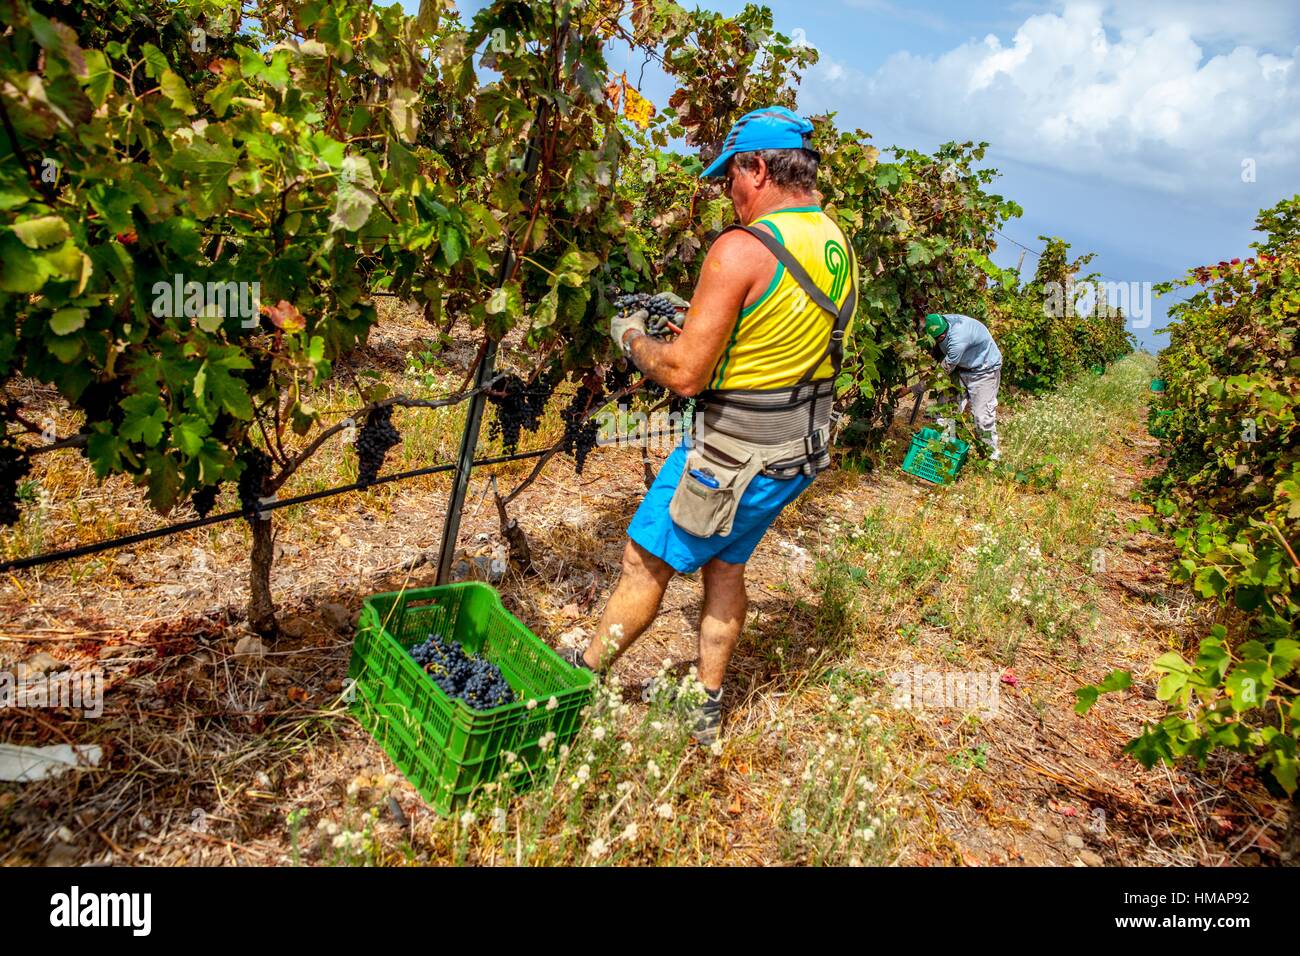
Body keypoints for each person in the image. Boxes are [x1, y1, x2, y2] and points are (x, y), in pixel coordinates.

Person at [559, 105, 857, 744]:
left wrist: (634, 338)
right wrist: (700, 323)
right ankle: (706, 704)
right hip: (795, 451)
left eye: (730, 178)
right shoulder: (834, 241)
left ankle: (576, 683)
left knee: (643, 563)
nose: (728, 192)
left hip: (733, 455)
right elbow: (778, 332)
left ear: (758, 168)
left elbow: (687, 377)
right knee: (725, 568)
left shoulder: (740, 248)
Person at [923, 312, 1002, 461]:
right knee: (946, 410)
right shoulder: (938, 321)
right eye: (936, 338)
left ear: (946, 329)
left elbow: (939, 374)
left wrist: (914, 388)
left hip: (984, 371)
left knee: (982, 417)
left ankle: (991, 458)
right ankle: (945, 450)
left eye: (942, 337)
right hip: (960, 369)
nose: (940, 340)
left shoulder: (958, 340)